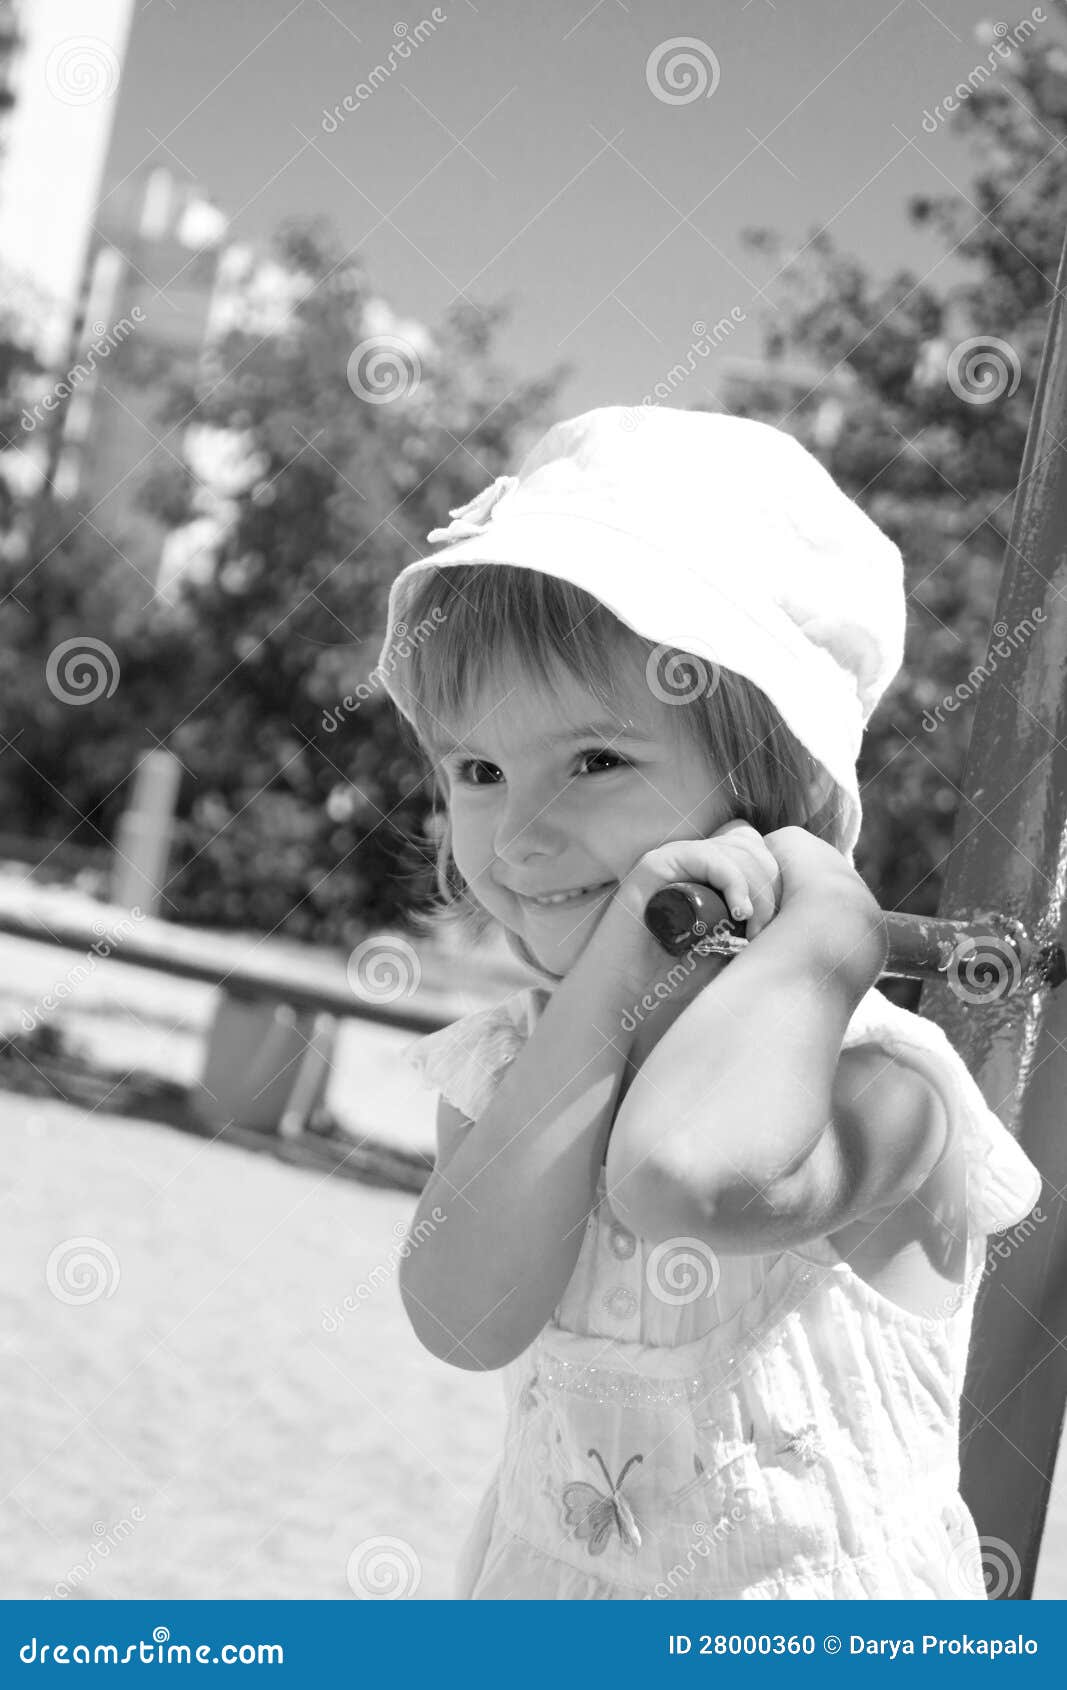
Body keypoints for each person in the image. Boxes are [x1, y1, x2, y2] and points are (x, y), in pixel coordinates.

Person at [376, 405, 1043, 1600]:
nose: (520, 831)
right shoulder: (513, 1068)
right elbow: (463, 1317)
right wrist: (611, 987)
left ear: (769, 793)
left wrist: (818, 945)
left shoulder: (875, 1083)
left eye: (594, 761)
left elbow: (681, 1175)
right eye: (476, 770)